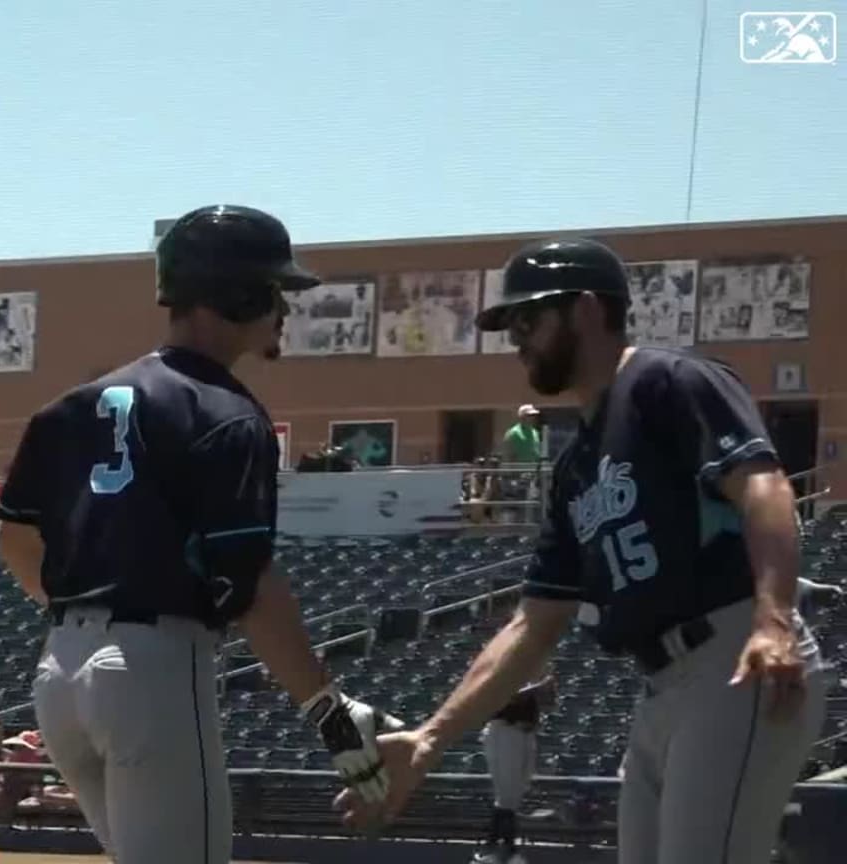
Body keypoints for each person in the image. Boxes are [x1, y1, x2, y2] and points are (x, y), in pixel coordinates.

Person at [338, 237, 831, 864]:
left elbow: (764, 485)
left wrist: (775, 618)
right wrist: (432, 739)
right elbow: (533, 623)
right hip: (662, 687)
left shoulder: (665, 380)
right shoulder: (575, 466)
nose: (515, 337)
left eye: (528, 318)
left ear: (590, 310)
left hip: (737, 658)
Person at [0, 204, 394, 864]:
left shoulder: (69, 405)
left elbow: (13, 539)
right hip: (152, 670)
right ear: (234, 291)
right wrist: (325, 707)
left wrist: (89, 621)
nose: (283, 308)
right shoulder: (227, 414)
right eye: (273, 291)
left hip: (59, 674)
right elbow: (250, 584)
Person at [473, 674, 555, 864]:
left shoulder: (533, 671)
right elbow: (504, 697)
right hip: (503, 731)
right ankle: (503, 850)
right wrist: (538, 687)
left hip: (526, 734)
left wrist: (548, 690)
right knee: (507, 794)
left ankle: (494, 848)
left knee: (514, 795)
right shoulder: (504, 669)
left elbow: (549, 704)